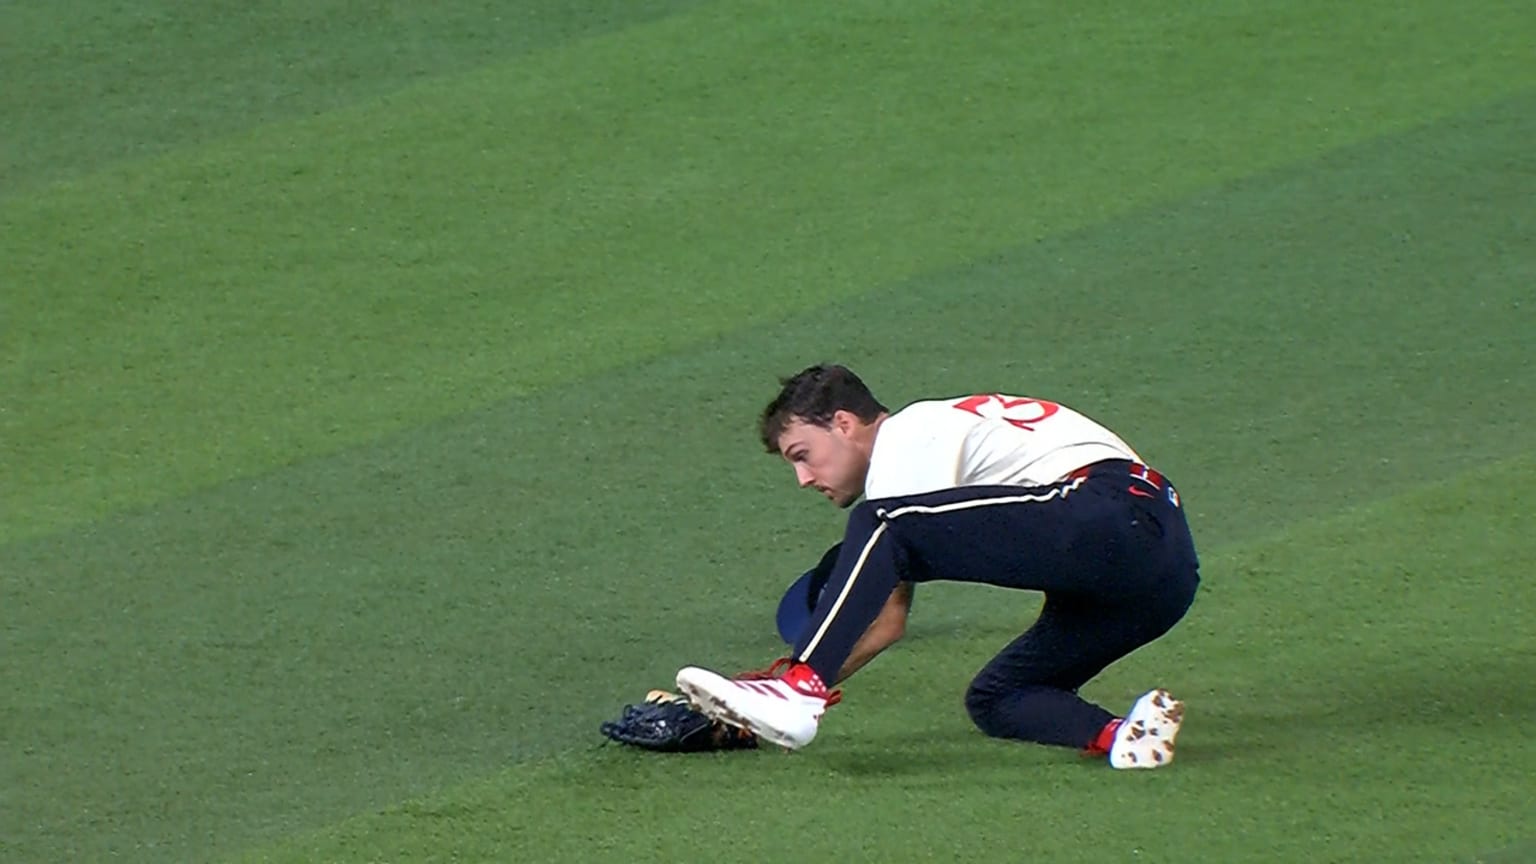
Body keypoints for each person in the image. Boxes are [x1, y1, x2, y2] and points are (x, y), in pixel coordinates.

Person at [675, 364, 1200, 768]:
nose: (804, 478)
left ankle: (797, 689)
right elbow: (884, 617)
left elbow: (886, 617)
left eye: (802, 454)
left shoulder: (905, 433)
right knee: (998, 698)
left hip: (1109, 511)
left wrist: (778, 691)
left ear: (843, 423)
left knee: (880, 524)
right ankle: (1123, 737)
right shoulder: (945, 427)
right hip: (1165, 572)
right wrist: (742, 710)